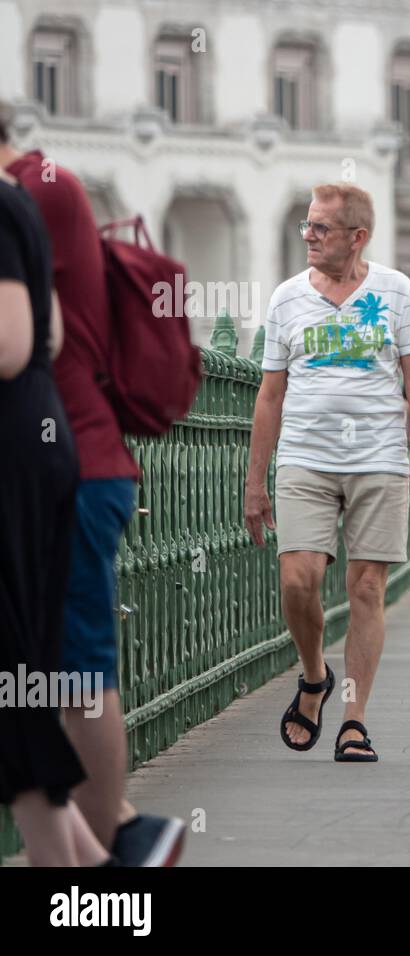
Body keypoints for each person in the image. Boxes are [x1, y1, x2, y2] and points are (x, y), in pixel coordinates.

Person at [1, 116, 185, 866]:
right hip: (77, 453)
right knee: (50, 671)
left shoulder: (31, 190)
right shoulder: (42, 188)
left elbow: (25, 340)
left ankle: (108, 858)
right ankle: (114, 840)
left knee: (75, 670)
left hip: (70, 460)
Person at [245, 182, 410, 763]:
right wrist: (255, 483)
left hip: (378, 460)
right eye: (306, 225)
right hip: (305, 458)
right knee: (298, 580)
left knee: (365, 588)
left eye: (320, 228)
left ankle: (354, 719)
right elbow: (269, 396)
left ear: (357, 237)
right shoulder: (286, 299)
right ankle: (314, 676)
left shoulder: (394, 290)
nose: (307, 236)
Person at [0, 168, 110, 866]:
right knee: (19, 672)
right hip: (38, 438)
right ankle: (91, 874)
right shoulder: (21, 206)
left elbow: (11, 342)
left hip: (11, 447)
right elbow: (53, 330)